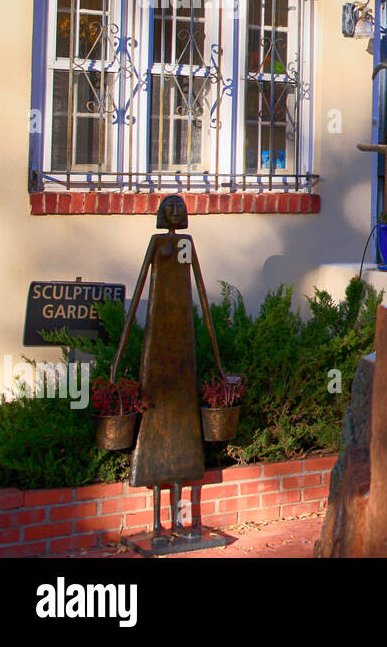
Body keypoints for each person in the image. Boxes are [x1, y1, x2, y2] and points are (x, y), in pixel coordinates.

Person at [110, 195, 228, 545]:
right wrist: (118, 357)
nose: (175, 213)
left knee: (184, 433)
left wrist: (218, 358)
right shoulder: (159, 245)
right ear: (161, 214)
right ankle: (157, 525)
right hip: (158, 348)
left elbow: (204, 298)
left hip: (183, 350)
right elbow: (137, 296)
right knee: (154, 426)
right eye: (169, 208)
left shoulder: (186, 246)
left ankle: (181, 519)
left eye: (180, 208)